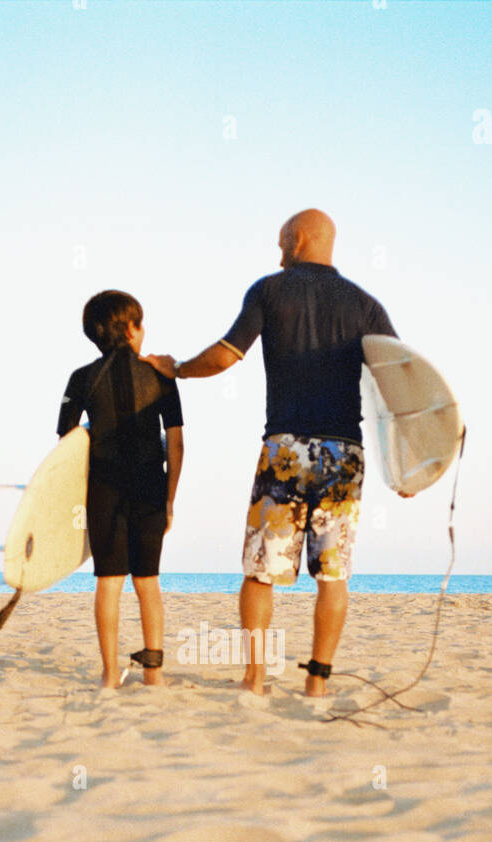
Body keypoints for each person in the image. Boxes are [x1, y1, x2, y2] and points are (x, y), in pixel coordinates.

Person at [145, 209, 399, 697]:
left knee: (261, 569)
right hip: (343, 453)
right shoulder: (366, 305)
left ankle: (256, 680)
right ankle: (317, 685)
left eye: (282, 240)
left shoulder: (270, 290)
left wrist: (175, 369)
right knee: (333, 573)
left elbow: (225, 353)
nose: (278, 249)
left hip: (285, 448)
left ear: (297, 239)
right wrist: (411, 466)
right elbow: (398, 378)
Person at [57, 290, 184, 688]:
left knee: (108, 581)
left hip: (104, 488)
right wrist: (169, 499)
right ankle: (154, 674)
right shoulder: (161, 376)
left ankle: (110, 674)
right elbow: (176, 443)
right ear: (131, 329)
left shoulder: (81, 378)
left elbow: (68, 441)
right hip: (148, 485)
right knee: (147, 581)